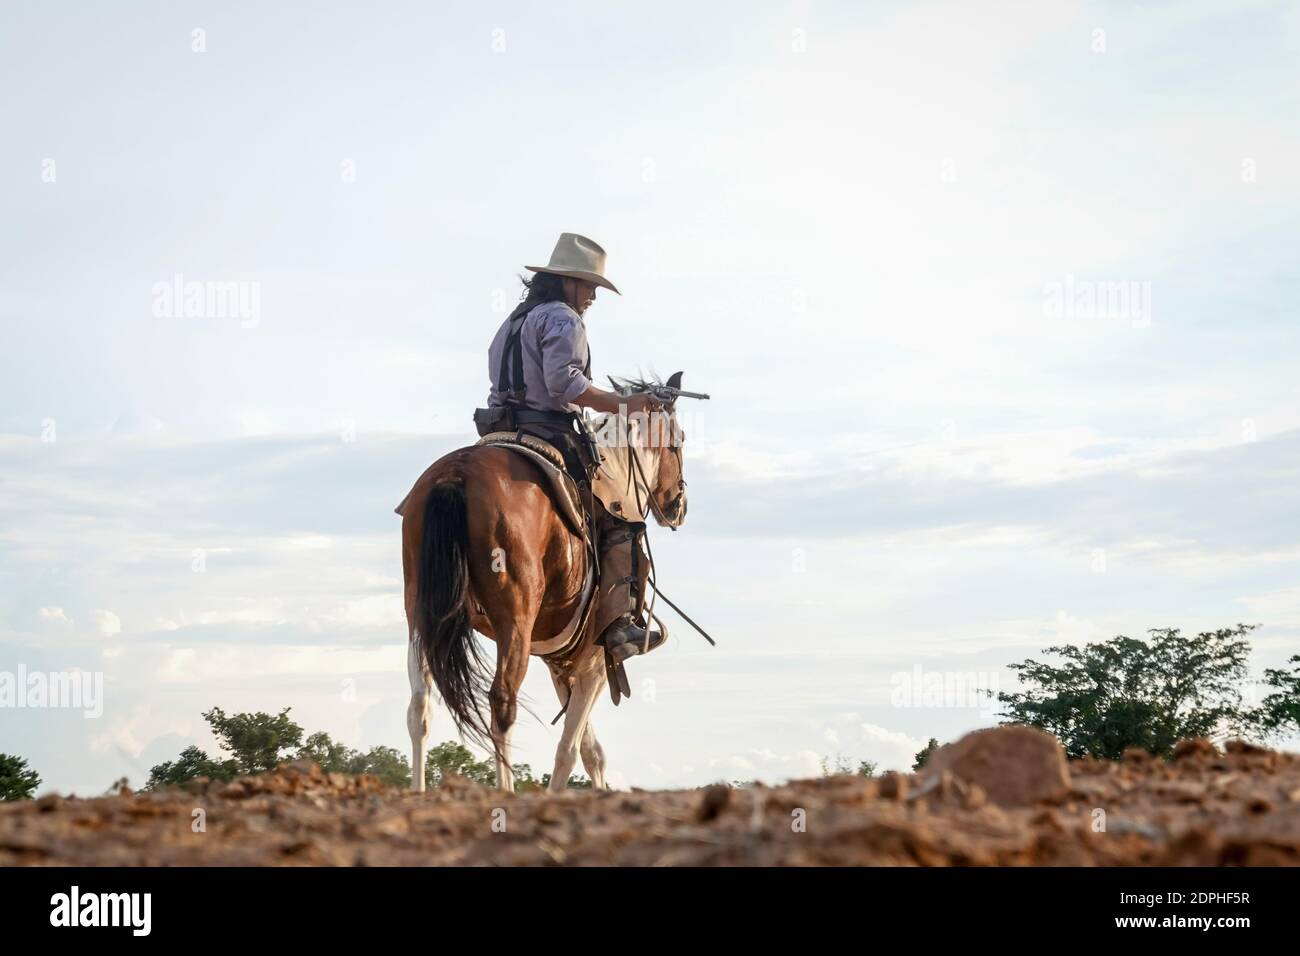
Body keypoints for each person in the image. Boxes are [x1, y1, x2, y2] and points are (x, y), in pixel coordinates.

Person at [476, 233, 665, 663]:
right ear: (568, 283)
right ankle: (620, 627)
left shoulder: (512, 321)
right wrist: (625, 405)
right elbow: (565, 384)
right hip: (547, 432)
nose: (593, 296)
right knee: (621, 516)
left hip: (497, 432)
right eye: (590, 286)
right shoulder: (564, 318)